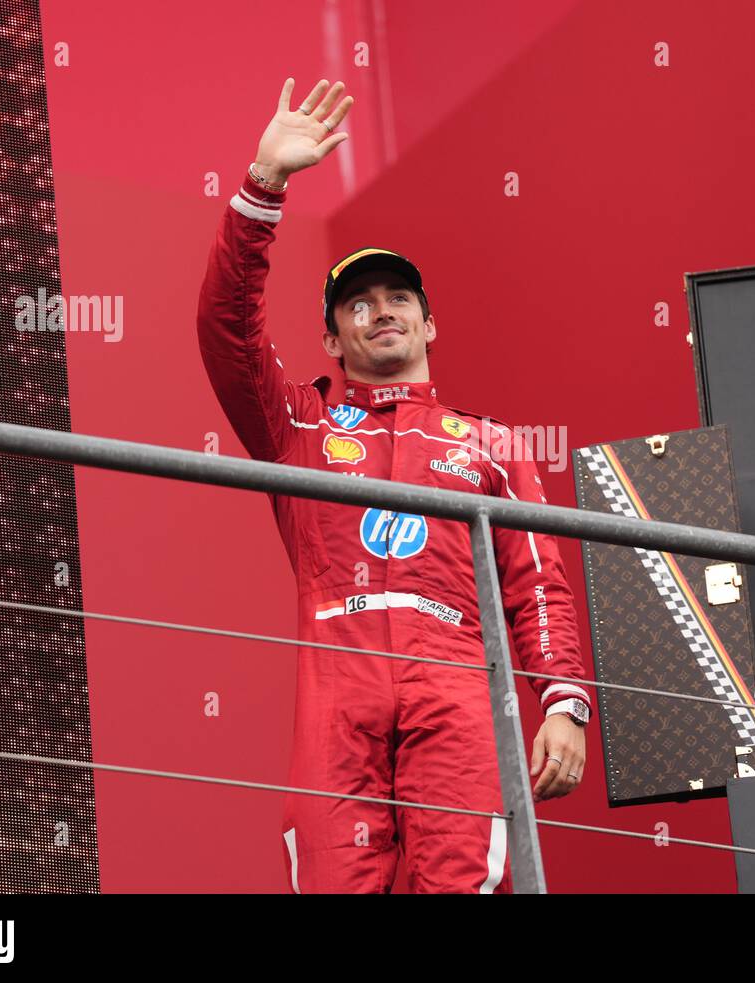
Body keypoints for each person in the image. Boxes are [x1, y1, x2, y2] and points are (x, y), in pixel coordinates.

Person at [196, 79, 592, 893]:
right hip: (335, 689)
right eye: (358, 304)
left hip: (455, 685)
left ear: (429, 323)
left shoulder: (492, 444)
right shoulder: (297, 427)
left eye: (399, 298)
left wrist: (563, 703)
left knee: (459, 884)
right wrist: (262, 185)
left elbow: (539, 586)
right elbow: (227, 328)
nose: (382, 312)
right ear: (333, 335)